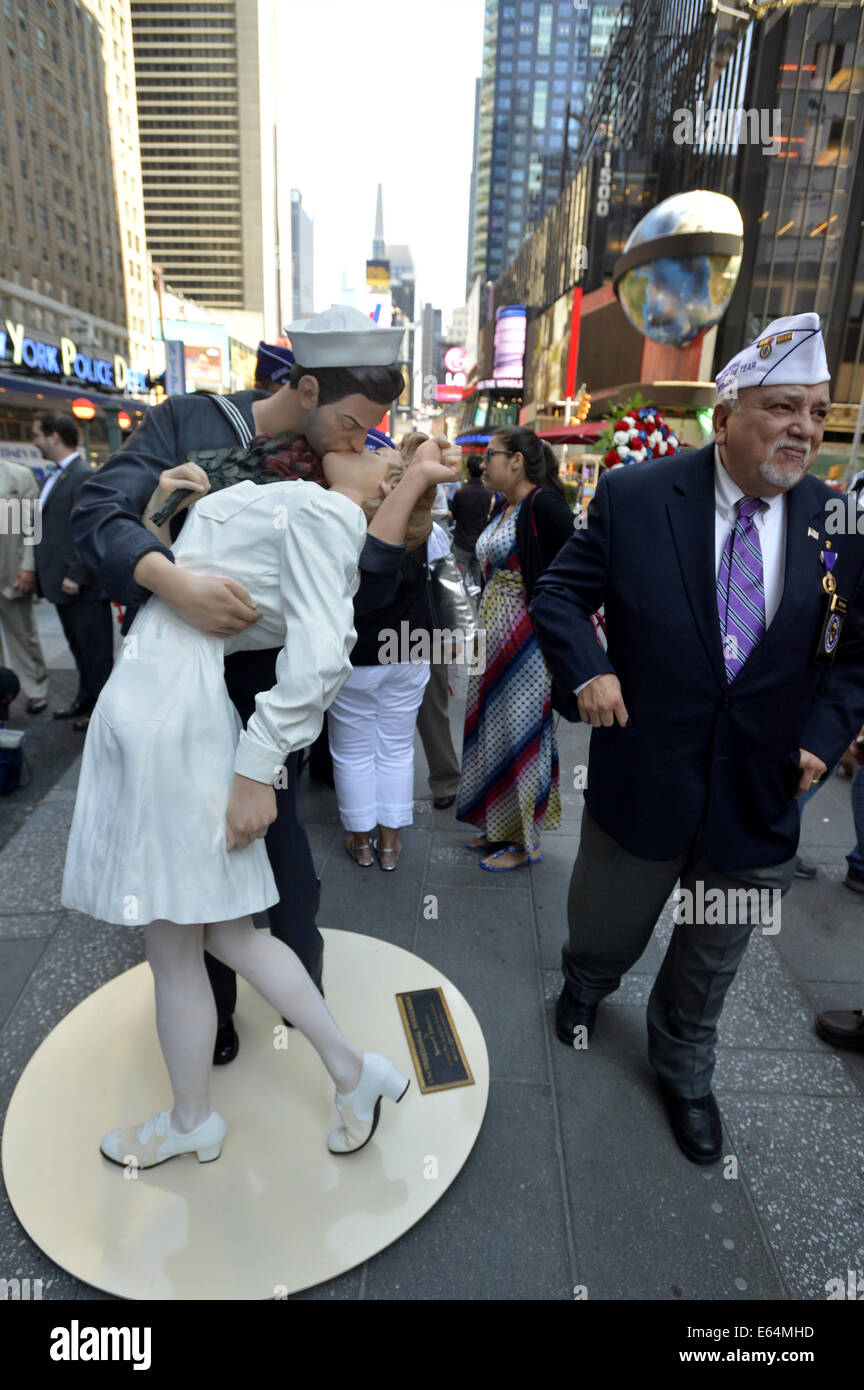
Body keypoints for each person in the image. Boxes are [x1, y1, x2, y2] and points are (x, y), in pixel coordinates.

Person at [530, 312, 864, 1165]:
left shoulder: (838, 522)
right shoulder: (639, 497)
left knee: (715, 950)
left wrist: (823, 742)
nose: (803, 429)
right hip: (646, 774)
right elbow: (559, 597)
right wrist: (590, 669)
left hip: (762, 793)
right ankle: (585, 986)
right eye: (784, 406)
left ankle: (683, 1065)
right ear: (726, 415)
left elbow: (855, 652)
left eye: (817, 414)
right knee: (607, 921)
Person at [69, 305, 441, 1064]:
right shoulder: (189, 424)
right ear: (304, 388)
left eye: (374, 428)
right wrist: (168, 576)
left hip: (274, 706)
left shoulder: (330, 482)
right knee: (192, 890)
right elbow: (98, 510)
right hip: (182, 695)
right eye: (351, 420)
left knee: (285, 878)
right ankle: (231, 1030)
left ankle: (313, 1040)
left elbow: (356, 605)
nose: (359, 437)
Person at [328, 435, 459, 870]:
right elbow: (442, 582)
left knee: (353, 749)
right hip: (411, 646)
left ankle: (361, 841)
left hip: (359, 650)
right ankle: (390, 845)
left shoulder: (347, 520)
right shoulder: (426, 527)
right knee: (398, 748)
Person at [457, 427, 575, 871]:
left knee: (522, 733)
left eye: (491, 455)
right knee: (491, 730)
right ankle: (497, 826)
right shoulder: (506, 506)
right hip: (492, 637)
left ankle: (526, 842)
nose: (483, 464)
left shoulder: (544, 506)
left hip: (526, 644)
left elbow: (576, 568)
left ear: (518, 461)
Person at [31, 413, 114, 732]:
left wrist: (77, 573)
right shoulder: (56, 476)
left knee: (96, 653)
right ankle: (85, 699)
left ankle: (101, 713)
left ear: (54, 436)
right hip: (60, 584)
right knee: (80, 649)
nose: (34, 441)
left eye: (37, 434)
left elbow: (91, 528)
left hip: (82, 585)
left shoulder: (83, 474)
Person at [0, 456, 48, 714]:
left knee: (23, 634)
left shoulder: (19, 476)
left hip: (11, 571)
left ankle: (35, 689)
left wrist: (28, 567)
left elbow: (34, 526)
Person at [450, 454, 493, 593]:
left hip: (462, 542)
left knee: (459, 581)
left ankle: (461, 610)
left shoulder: (461, 492)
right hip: (480, 543)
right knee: (479, 580)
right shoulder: (488, 493)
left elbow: (455, 516)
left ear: (467, 470)